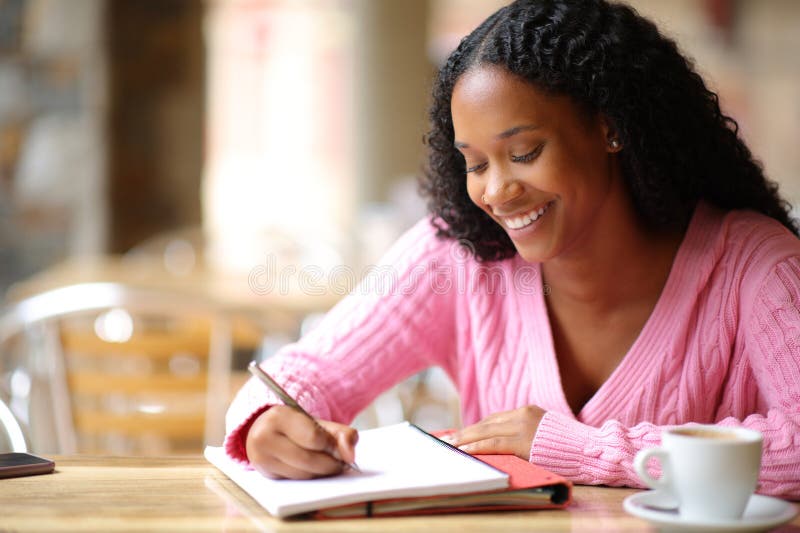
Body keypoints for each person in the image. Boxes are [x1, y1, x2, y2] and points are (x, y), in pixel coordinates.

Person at [224, 0, 800, 497]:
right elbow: (299, 374)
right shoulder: (457, 257)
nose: (496, 192)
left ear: (609, 127)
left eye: (523, 152)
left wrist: (580, 450)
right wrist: (266, 423)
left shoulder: (756, 267)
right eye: (475, 165)